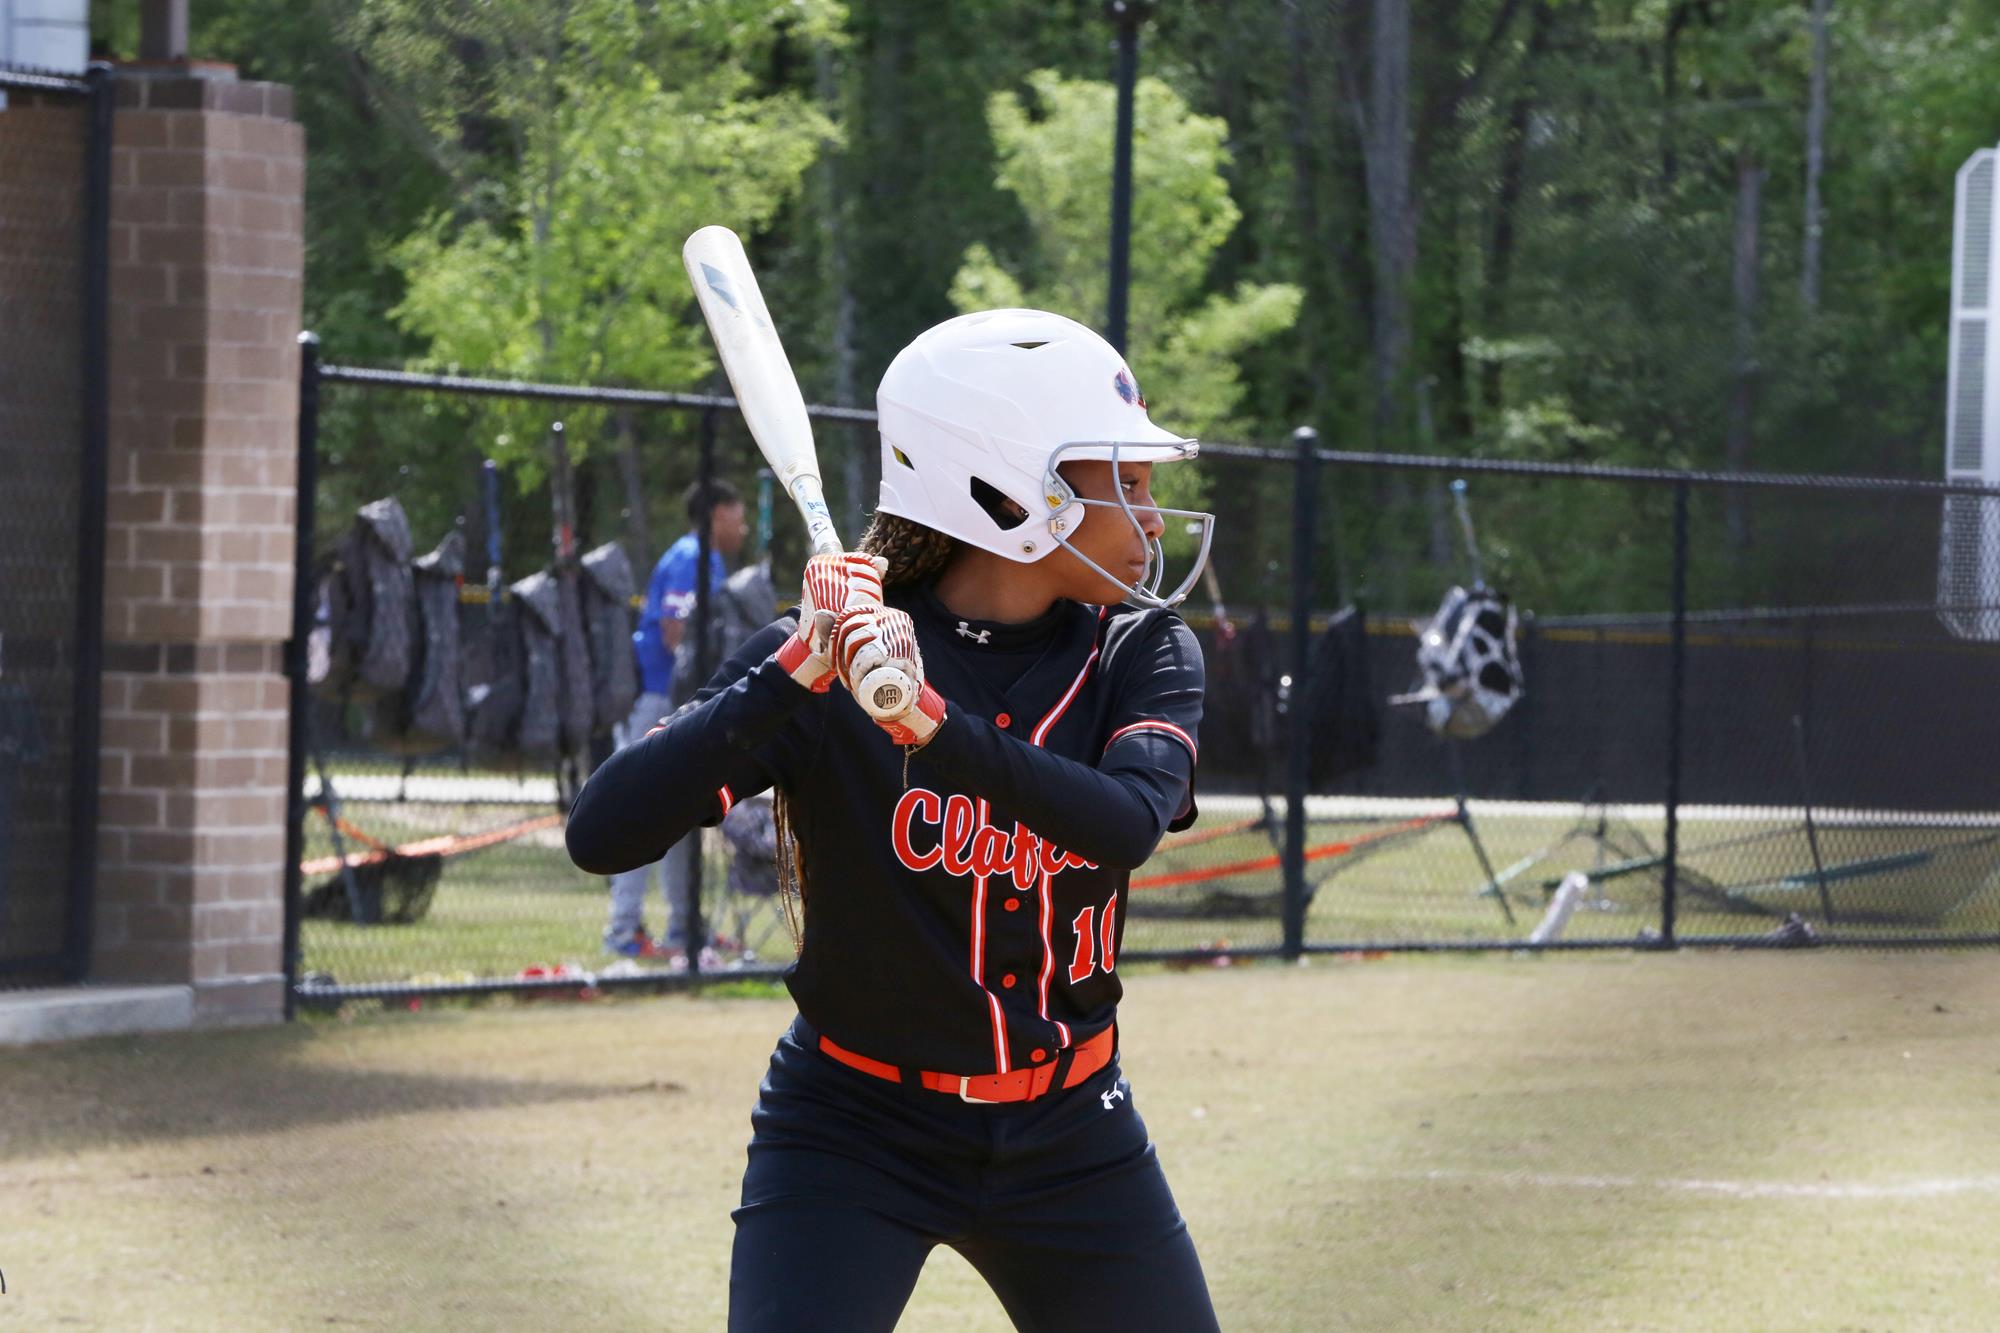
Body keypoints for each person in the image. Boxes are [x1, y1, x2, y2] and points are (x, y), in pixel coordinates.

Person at [567, 309, 1220, 1331]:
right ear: (1013, 494)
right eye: (1122, 483)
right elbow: (601, 833)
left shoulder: (1140, 651)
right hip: (852, 1127)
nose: (1150, 513)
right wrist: (789, 674)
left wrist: (931, 726)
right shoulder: (820, 665)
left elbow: (1127, 820)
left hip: (1071, 1129)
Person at [602, 477, 749, 958]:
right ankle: (623, 932)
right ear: (716, 515)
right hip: (660, 699)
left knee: (682, 816)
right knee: (638, 813)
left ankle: (685, 928)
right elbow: (673, 633)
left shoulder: (707, 560)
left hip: (677, 702)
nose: (743, 527)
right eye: (737, 515)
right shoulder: (691, 557)